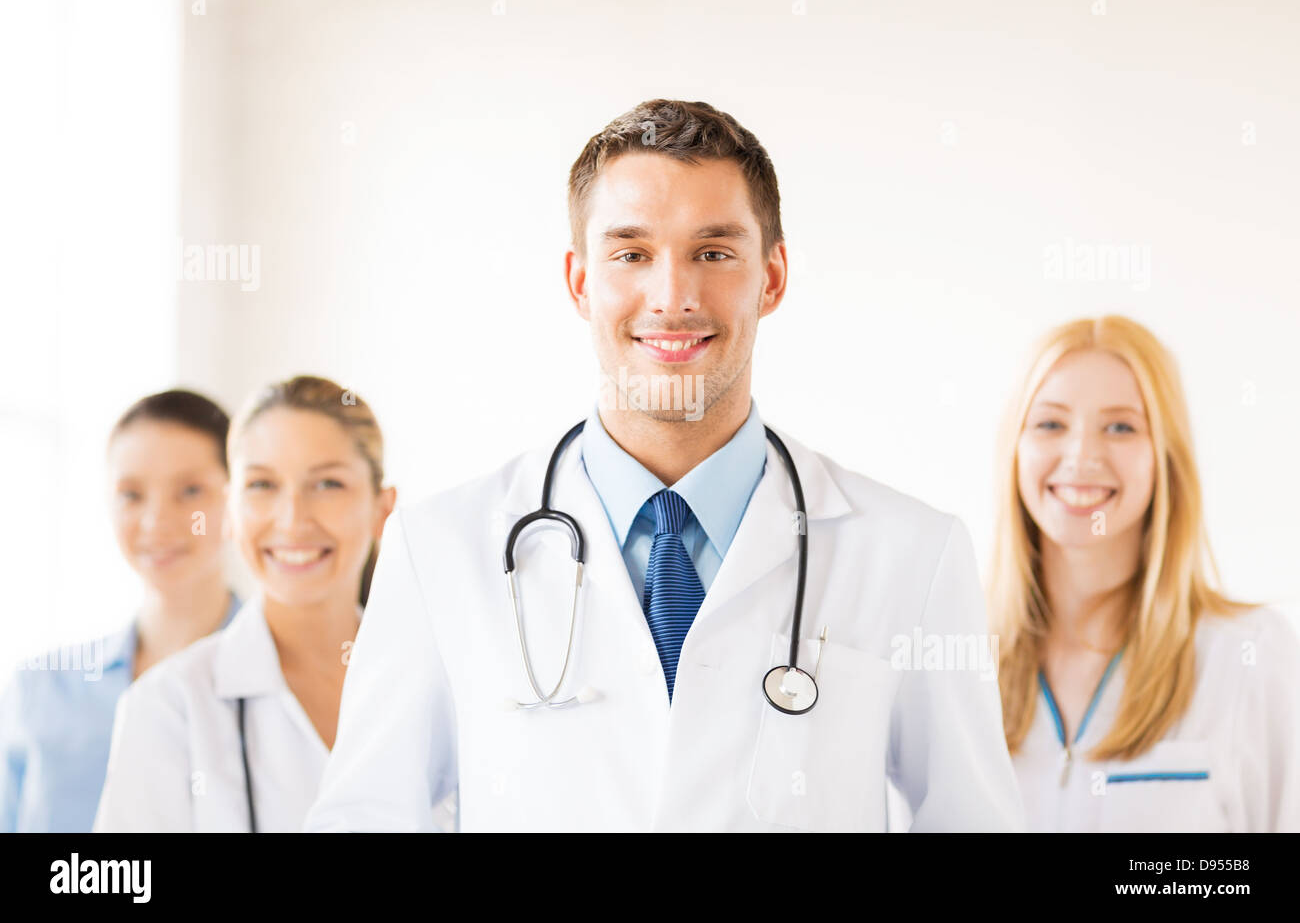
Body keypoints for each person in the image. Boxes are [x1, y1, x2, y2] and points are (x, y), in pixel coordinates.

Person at [305, 99, 1024, 832]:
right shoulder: (441, 550)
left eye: (713, 252)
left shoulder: (910, 553)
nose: (674, 297)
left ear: (771, 277)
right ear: (581, 281)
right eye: (631, 253)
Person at [988, 315, 1300, 831]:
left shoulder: (1252, 657)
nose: (1081, 456)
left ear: (1166, 458)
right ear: (1014, 449)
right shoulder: (956, 659)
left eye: (1120, 427)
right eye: (1050, 423)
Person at [93, 376, 397, 831]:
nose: (293, 520)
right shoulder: (169, 705)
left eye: (328, 483)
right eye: (262, 485)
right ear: (230, 512)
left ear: (382, 508)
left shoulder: (435, 679)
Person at [0, 390, 241, 832]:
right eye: (131, 494)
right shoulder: (42, 690)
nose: (156, 522)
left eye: (190, 490)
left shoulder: (292, 681)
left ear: (239, 497)